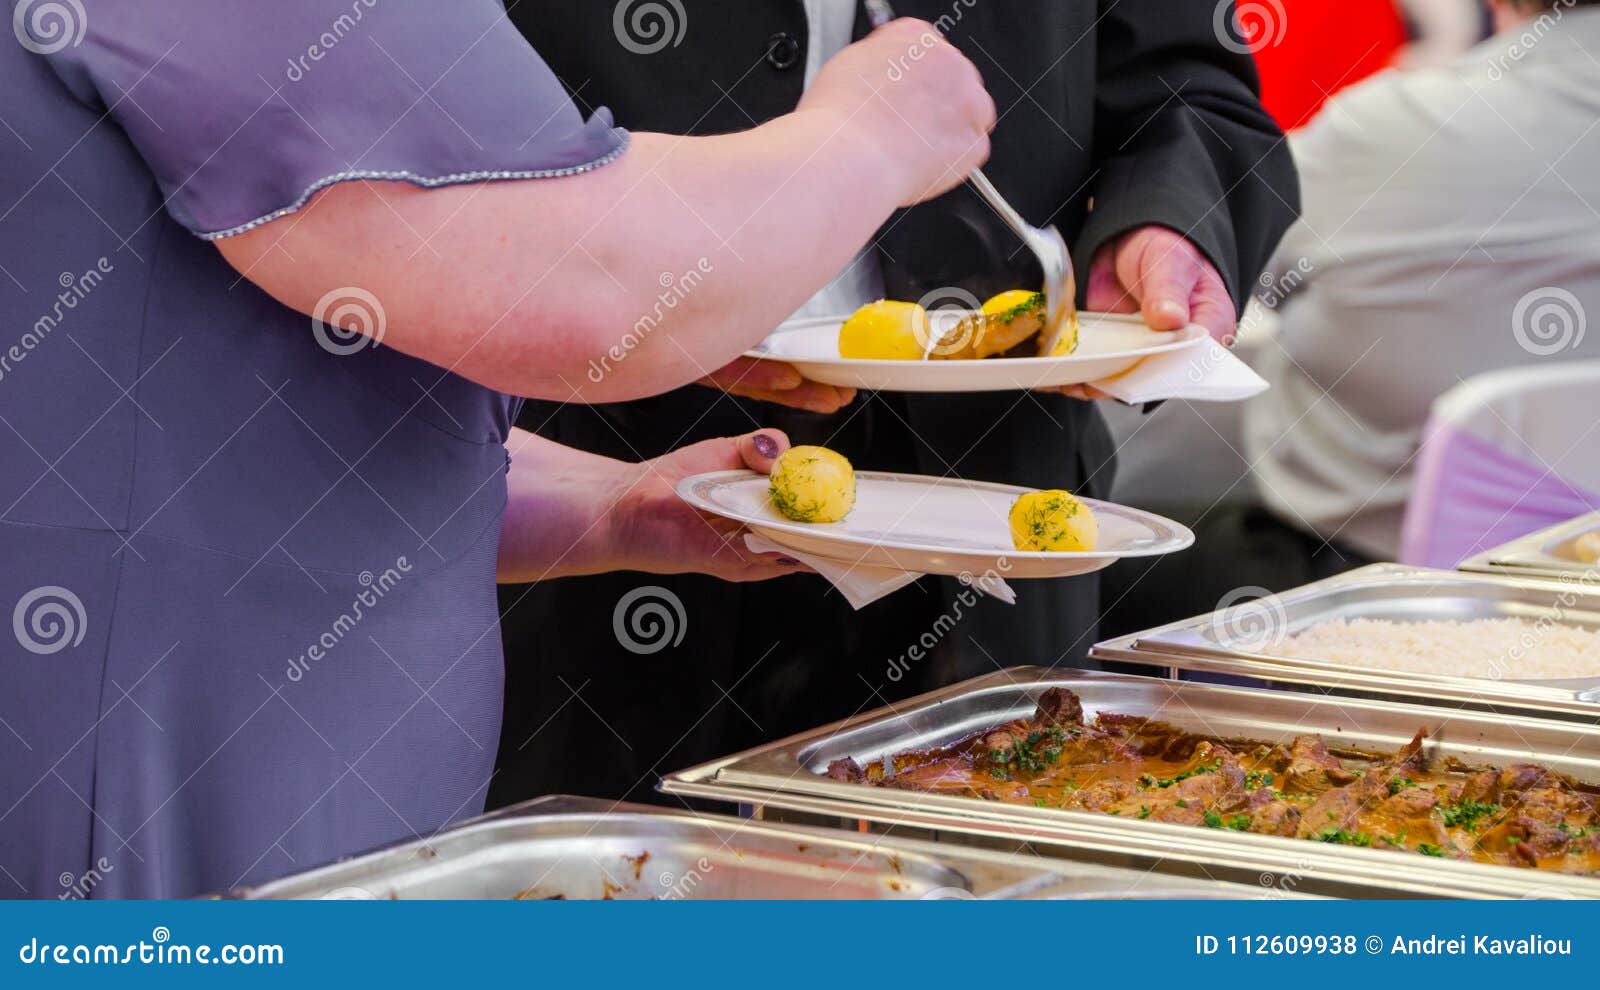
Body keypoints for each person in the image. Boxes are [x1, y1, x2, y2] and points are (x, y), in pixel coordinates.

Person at [0, 1, 994, 897]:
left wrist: (612, 506)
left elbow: (247, 418)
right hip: (160, 854)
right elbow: (594, 282)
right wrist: (874, 131)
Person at [490, 0, 1300, 806]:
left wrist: (1168, 222)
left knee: (994, 868)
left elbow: (1186, 83)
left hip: (995, 509)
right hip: (597, 501)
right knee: (601, 870)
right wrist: (617, 296)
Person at [1101, 0, 1600, 636]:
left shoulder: (1393, 128)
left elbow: (1222, 261)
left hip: (1368, 595)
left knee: (1096, 551)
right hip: (1562, 603)